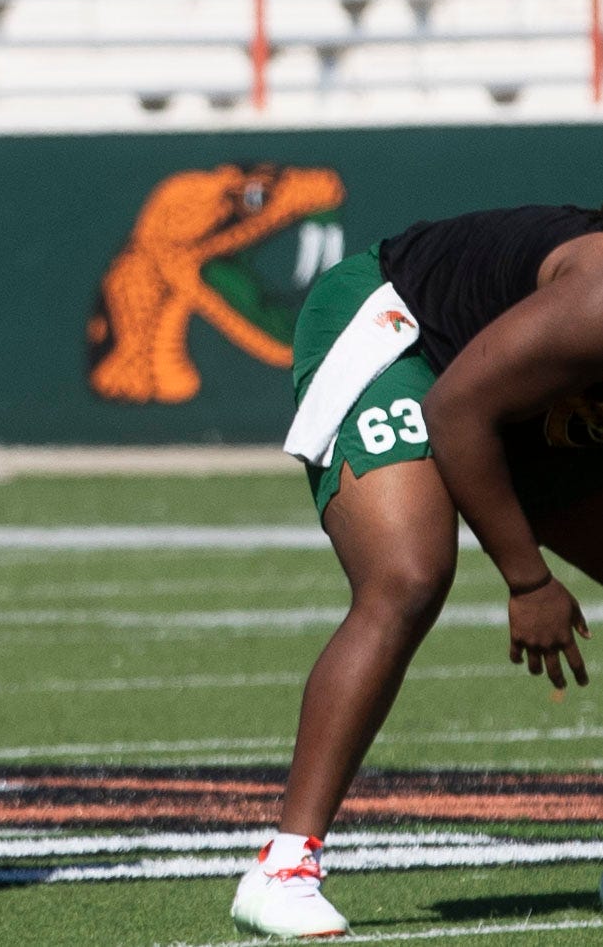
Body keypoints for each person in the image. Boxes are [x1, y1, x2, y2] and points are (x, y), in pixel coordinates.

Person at [232, 203, 603, 938]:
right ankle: (282, 866)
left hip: (508, 384)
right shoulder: (597, 302)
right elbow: (455, 410)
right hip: (400, 329)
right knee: (407, 575)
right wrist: (526, 580)